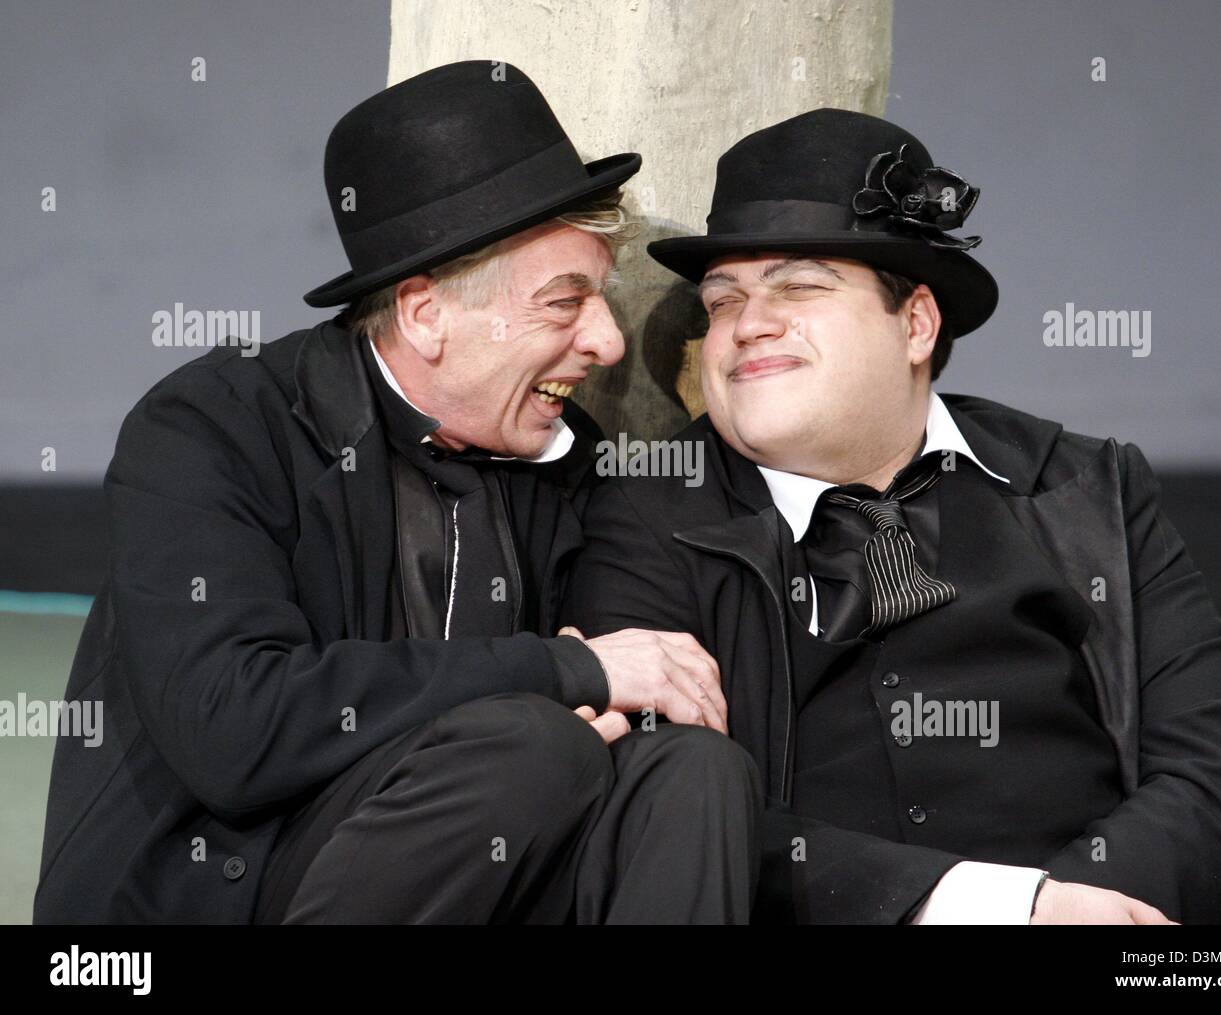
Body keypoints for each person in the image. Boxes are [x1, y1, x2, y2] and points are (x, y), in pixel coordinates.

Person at [33, 60, 762, 925]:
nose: (606, 342)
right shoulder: (213, 426)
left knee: (693, 770)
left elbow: (610, 704)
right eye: (565, 304)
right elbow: (233, 726)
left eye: (600, 299)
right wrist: (564, 669)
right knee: (530, 743)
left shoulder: (573, 461)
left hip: (467, 872)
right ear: (425, 314)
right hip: (210, 902)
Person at [562, 109, 1221, 924]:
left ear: (917, 323)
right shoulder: (646, 515)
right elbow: (656, 809)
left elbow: (1220, 757)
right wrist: (1001, 910)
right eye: (723, 302)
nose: (747, 324)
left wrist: (1099, 905)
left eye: (797, 287)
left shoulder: (1088, 484)